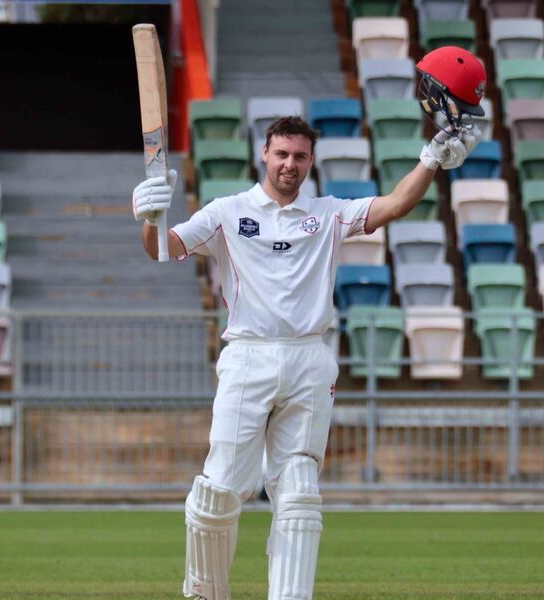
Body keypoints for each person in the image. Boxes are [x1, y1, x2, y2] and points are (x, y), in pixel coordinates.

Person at [132, 46, 485, 600]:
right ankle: (206, 594)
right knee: (220, 489)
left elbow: (393, 206)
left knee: (298, 491)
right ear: (263, 156)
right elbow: (162, 251)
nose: (290, 164)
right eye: (281, 154)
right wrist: (149, 217)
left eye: (299, 156)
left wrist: (431, 160)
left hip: (309, 358)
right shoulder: (227, 212)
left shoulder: (327, 215)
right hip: (248, 355)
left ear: (310, 162)